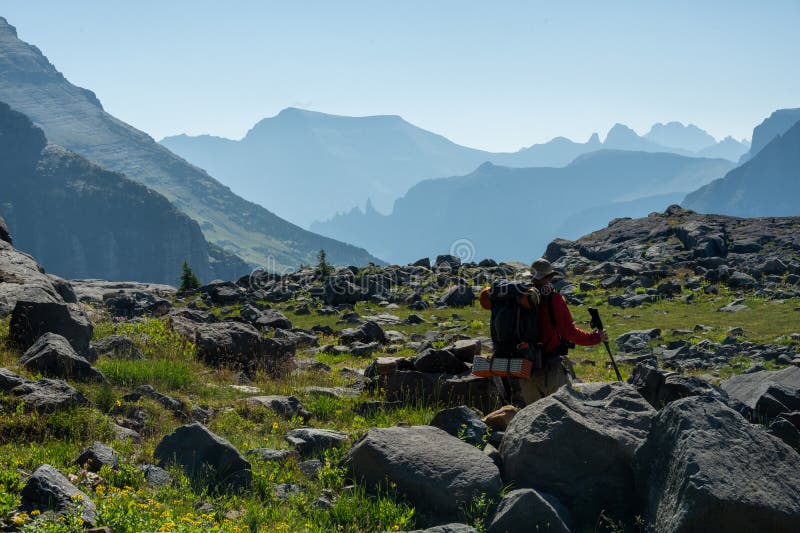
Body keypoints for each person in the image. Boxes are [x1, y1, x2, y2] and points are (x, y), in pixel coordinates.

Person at [519, 257, 608, 403]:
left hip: (523, 370)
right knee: (564, 413)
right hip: (549, 368)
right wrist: (596, 338)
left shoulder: (520, 298)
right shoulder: (554, 298)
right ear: (550, 277)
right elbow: (570, 333)